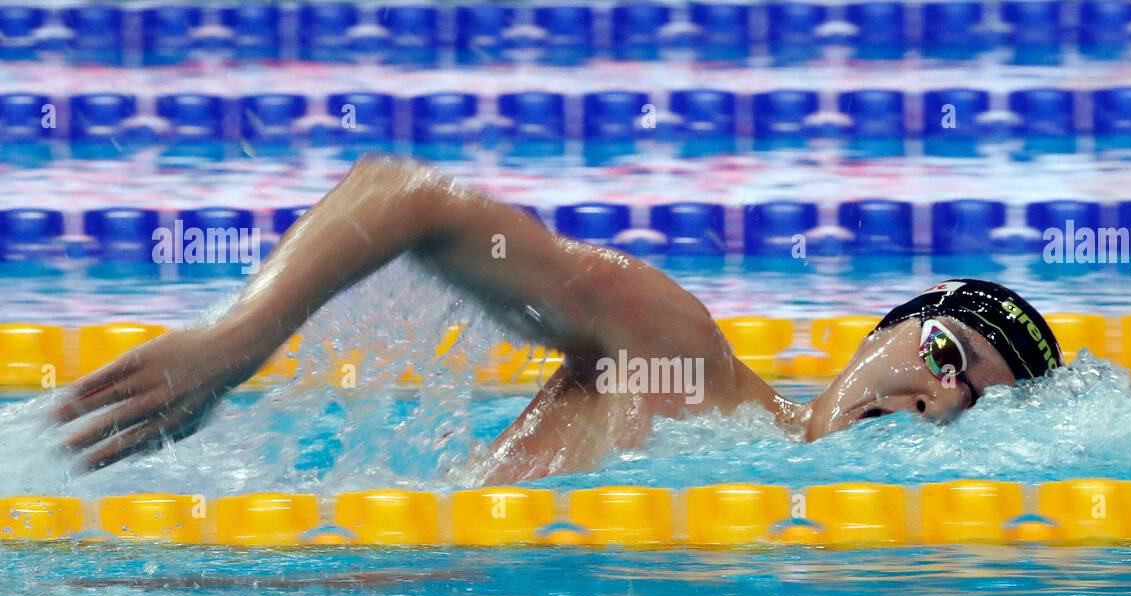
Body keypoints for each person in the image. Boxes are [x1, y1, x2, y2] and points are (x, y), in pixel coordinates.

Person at [54, 156, 1062, 483]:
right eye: (944, 352)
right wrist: (235, 342)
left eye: (972, 404)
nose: (937, 395)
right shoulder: (679, 356)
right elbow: (410, 195)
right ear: (882, 329)